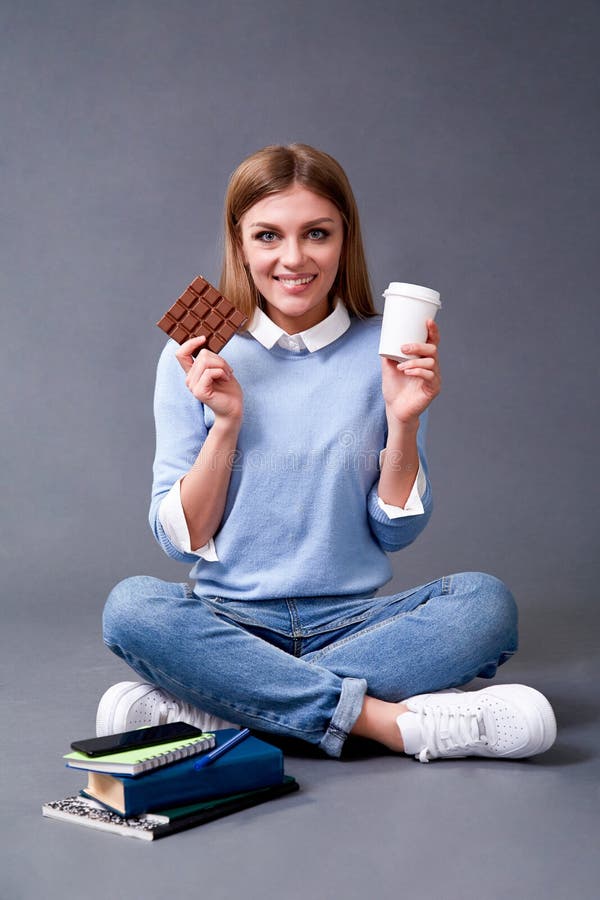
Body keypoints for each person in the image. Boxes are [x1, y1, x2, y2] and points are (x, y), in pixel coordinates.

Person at [97, 143, 556, 763]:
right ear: (239, 244)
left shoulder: (388, 350)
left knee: (485, 603)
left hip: (358, 624)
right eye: (268, 236)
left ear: (345, 240)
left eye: (316, 233)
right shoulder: (198, 353)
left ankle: (220, 706)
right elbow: (181, 539)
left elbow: (395, 533)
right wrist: (227, 423)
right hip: (229, 625)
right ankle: (391, 723)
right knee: (133, 608)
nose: (293, 258)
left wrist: (403, 421)